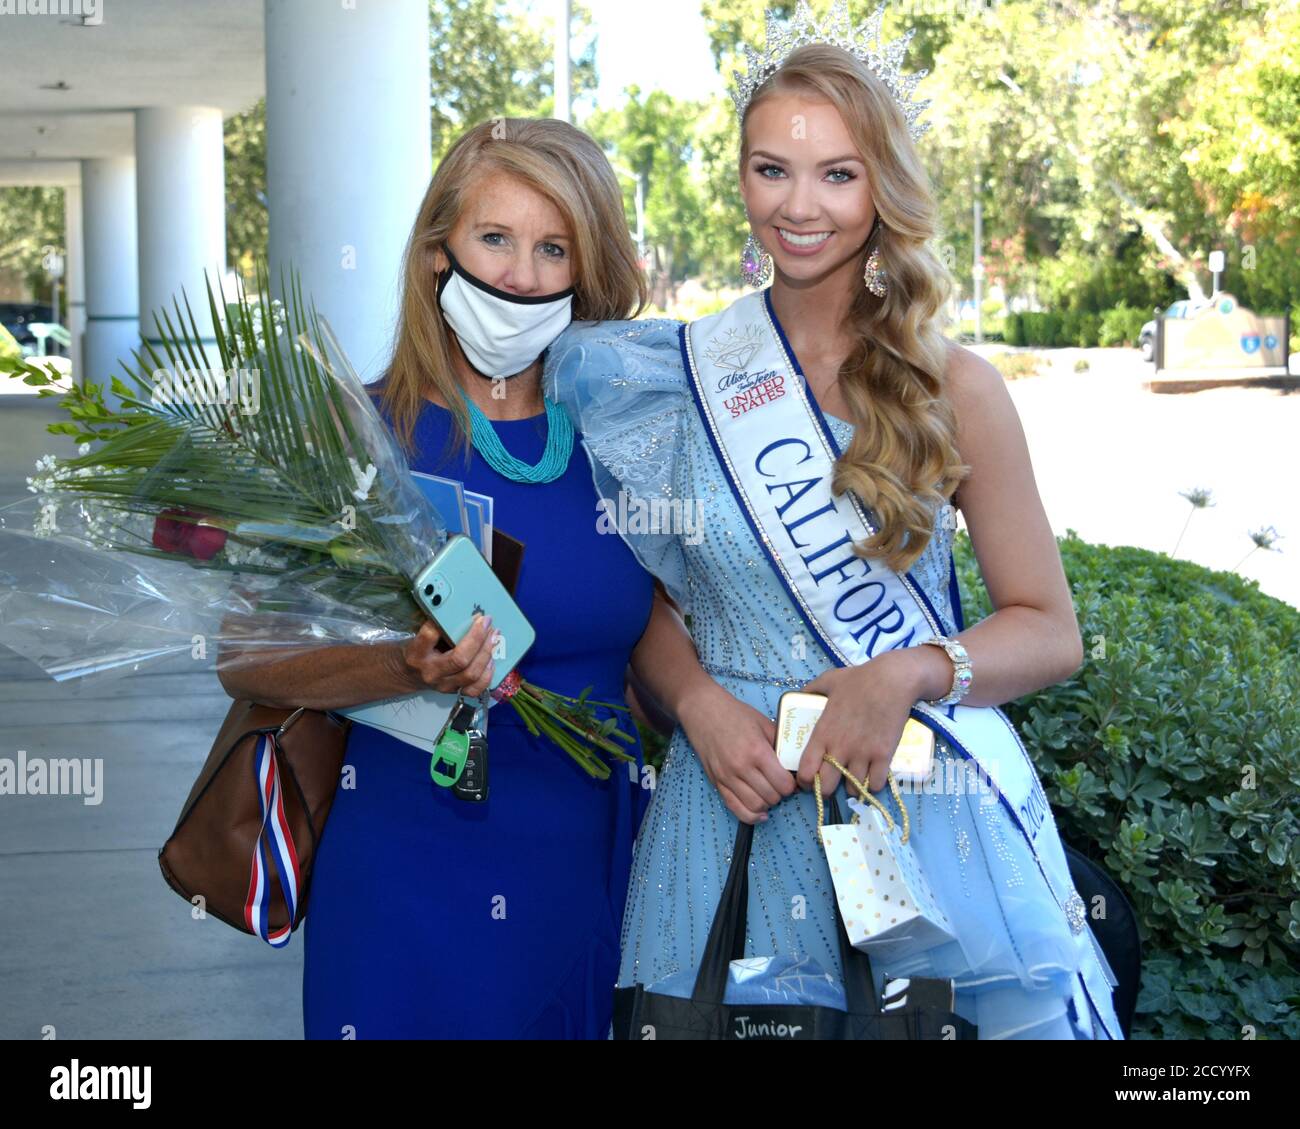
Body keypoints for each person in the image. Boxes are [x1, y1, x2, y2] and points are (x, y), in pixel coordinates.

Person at [545, 22, 1125, 1039]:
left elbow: (1047, 627)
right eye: (772, 170)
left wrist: (903, 672)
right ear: (741, 178)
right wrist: (694, 702)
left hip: (910, 801)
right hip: (727, 797)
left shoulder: (954, 387)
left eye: (837, 174)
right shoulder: (676, 380)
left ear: (881, 189)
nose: (799, 206)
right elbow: (634, 600)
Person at [218, 117, 688, 1038]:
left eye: (553, 248)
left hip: (593, 874)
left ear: (586, 269)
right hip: (407, 882)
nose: (519, 276)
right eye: (495, 239)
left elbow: (657, 641)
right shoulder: (353, 436)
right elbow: (247, 653)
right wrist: (403, 664)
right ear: (439, 253)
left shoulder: (622, 439)